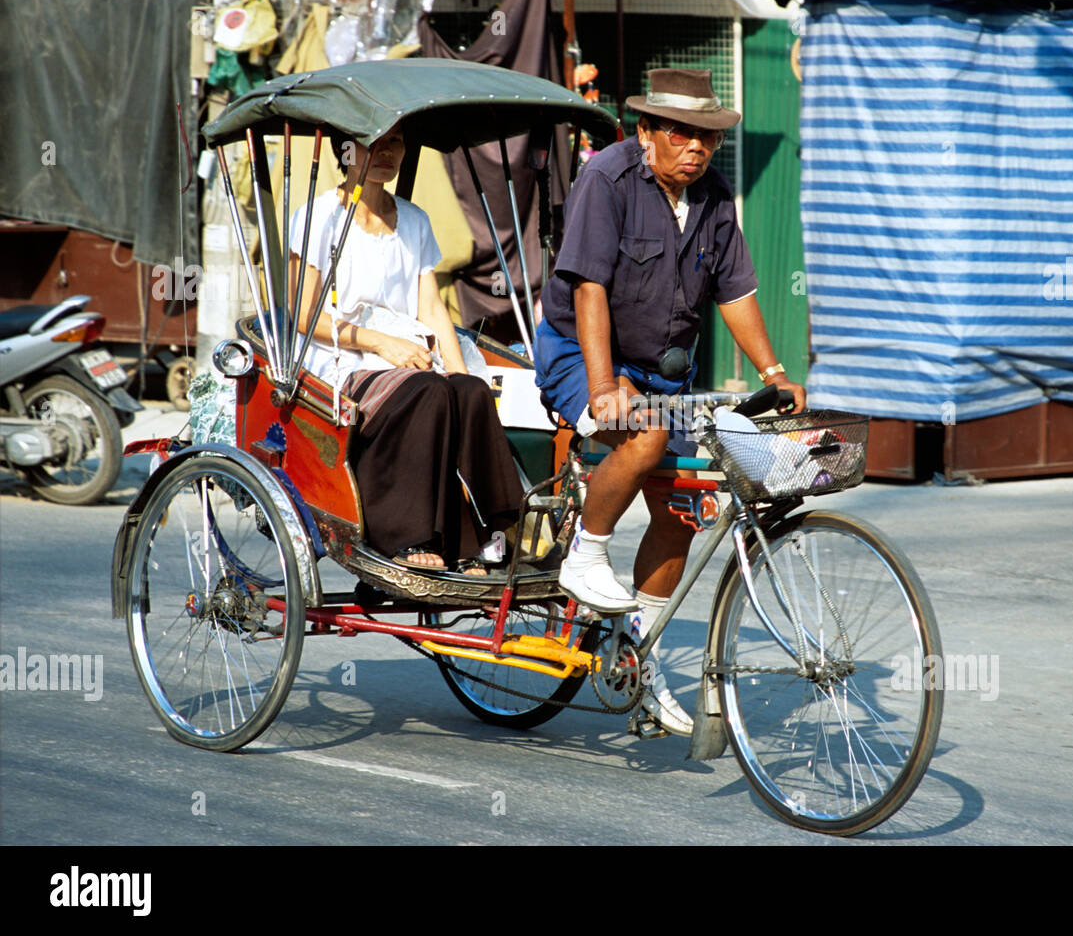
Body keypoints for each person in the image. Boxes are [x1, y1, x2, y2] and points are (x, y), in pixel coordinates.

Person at [534, 69, 806, 735]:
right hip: (581, 353)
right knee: (645, 437)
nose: (697, 147)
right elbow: (589, 289)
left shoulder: (713, 197)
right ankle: (586, 554)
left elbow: (735, 292)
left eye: (708, 136)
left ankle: (640, 660)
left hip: (662, 371)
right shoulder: (608, 180)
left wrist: (773, 367)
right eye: (681, 133)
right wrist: (602, 386)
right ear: (646, 131)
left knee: (684, 506)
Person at [290, 122, 522, 574]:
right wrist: (382, 343)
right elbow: (303, 316)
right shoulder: (317, 218)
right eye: (373, 141)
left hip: (409, 354)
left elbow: (431, 305)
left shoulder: (414, 219)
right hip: (342, 355)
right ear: (347, 149)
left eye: (395, 142)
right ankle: (409, 535)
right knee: (428, 390)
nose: (386, 151)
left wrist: (461, 371)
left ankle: (497, 532)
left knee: (468, 393)